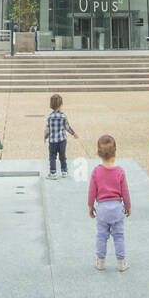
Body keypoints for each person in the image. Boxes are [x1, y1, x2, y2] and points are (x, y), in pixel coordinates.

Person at [88, 134, 131, 271]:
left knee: (101, 236)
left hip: (102, 209)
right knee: (118, 236)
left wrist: (90, 206)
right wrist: (128, 206)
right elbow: (125, 192)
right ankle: (121, 262)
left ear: (99, 153)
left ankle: (100, 262)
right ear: (115, 152)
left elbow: (92, 192)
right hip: (117, 208)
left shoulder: (97, 172)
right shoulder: (119, 172)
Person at [44, 93, 79, 178]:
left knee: (52, 157)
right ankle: (64, 171)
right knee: (62, 156)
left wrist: (45, 137)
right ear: (60, 105)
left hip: (52, 141)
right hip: (62, 140)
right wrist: (73, 133)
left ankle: (53, 173)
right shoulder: (63, 116)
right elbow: (67, 127)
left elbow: (48, 129)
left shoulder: (50, 117)